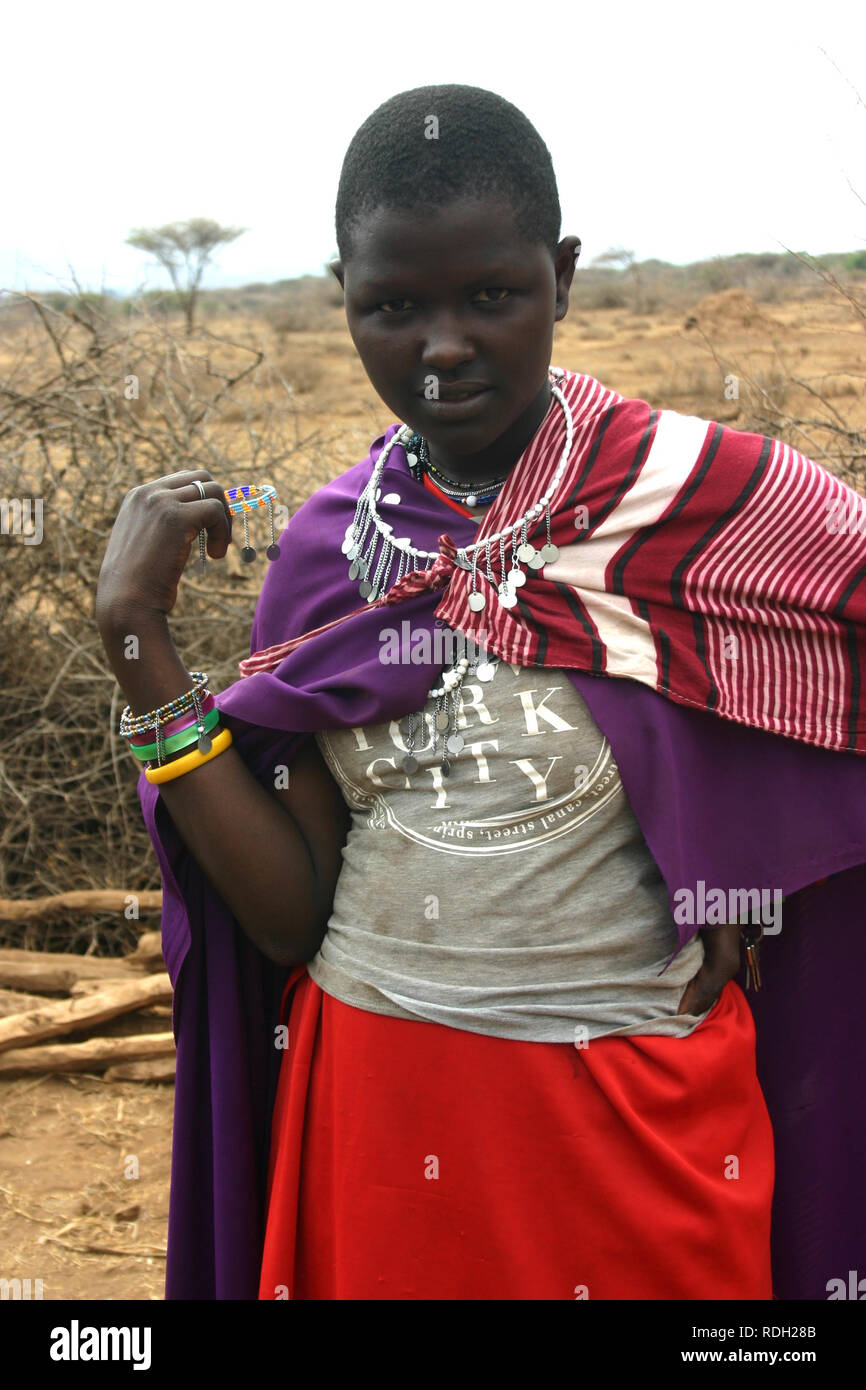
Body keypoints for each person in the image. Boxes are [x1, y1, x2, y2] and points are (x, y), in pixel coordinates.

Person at [96, 84, 866, 1301]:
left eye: (490, 297)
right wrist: (138, 640)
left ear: (560, 277)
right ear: (340, 295)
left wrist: (742, 852)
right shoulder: (326, 551)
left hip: (638, 1102)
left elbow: (830, 663)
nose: (441, 346)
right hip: (377, 1097)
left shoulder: (702, 502)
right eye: (391, 307)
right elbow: (292, 917)